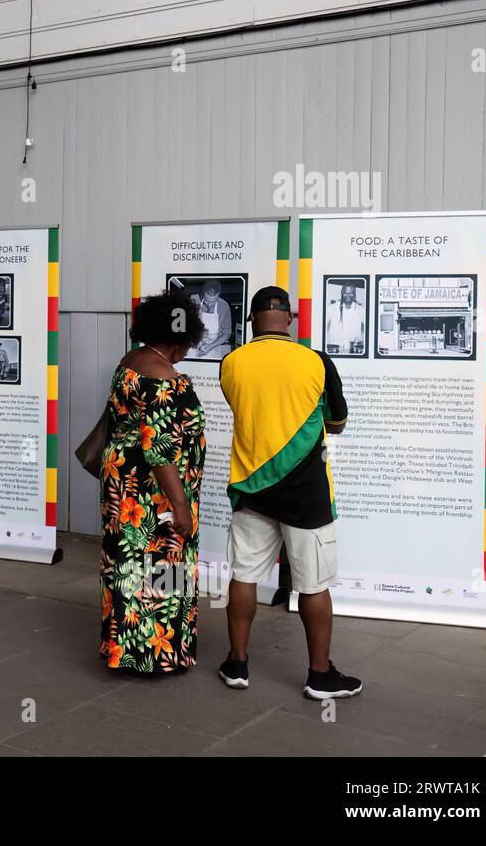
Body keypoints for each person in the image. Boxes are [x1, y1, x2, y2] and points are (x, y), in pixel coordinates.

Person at [218, 286, 362, 700]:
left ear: (252, 320)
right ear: (290, 319)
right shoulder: (316, 361)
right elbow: (338, 421)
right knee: (313, 585)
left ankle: (237, 664)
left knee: (243, 576)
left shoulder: (231, 362)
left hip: (251, 487)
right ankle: (320, 676)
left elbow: (241, 405)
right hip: (306, 493)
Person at [99, 289, 207, 674]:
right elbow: (159, 450)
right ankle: (155, 654)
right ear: (179, 338)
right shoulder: (163, 375)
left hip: (123, 483)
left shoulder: (131, 360)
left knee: (128, 563)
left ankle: (124, 650)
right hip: (152, 493)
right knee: (163, 563)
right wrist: (180, 507)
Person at [191, 279, 233, 359]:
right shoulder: (194, 301)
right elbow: (184, 328)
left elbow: (227, 333)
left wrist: (210, 346)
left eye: (213, 301)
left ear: (218, 294)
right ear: (203, 293)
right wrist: (197, 341)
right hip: (193, 346)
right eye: (207, 300)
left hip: (214, 347)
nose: (209, 304)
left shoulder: (224, 306)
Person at [325, 282, 365, 355]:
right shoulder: (331, 308)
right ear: (342, 293)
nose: (348, 295)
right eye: (346, 293)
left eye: (351, 293)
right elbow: (321, 327)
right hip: (334, 352)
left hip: (354, 353)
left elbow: (370, 331)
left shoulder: (361, 310)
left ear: (354, 294)